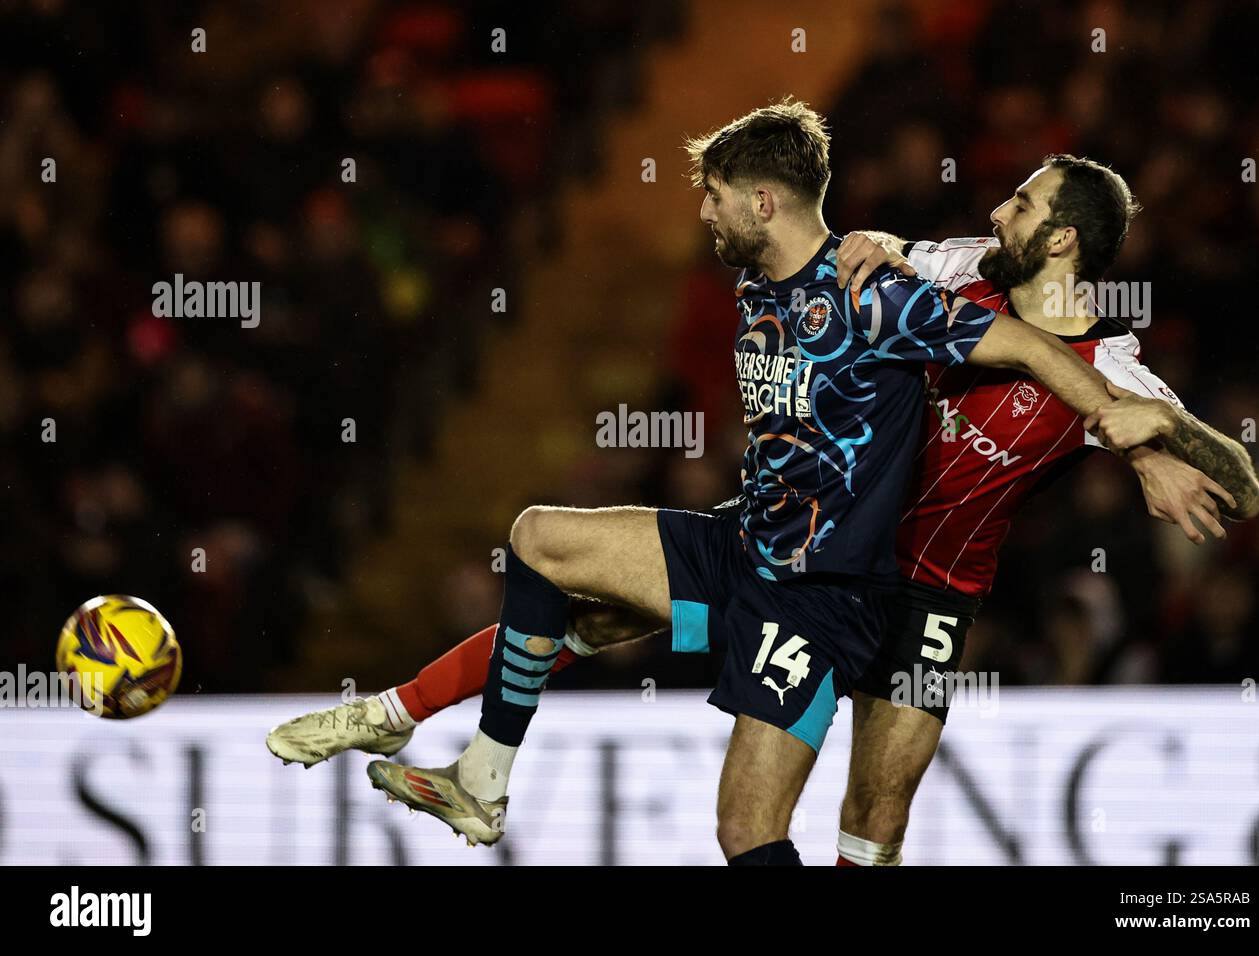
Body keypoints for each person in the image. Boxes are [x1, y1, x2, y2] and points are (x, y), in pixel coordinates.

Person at [268, 104, 1200, 865]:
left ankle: (403, 718)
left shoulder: (874, 299)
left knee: (764, 830)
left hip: (820, 601)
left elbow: (1035, 345)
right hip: (742, 547)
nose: (701, 215)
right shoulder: (765, 283)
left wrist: (1133, 434)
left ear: (761, 201)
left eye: (712, 198)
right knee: (542, 544)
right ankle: (477, 772)